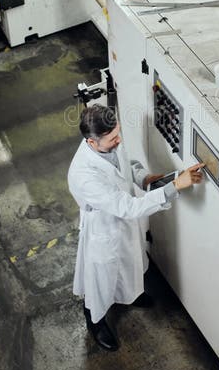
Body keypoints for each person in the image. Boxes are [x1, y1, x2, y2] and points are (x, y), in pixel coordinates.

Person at [68, 103, 204, 351]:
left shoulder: (109, 141)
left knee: (131, 260)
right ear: (91, 143)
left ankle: (131, 294)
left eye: (118, 133)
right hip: (104, 226)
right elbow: (127, 207)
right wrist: (174, 186)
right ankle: (95, 320)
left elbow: (126, 164)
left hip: (125, 220)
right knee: (99, 277)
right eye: (112, 139)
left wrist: (144, 177)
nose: (118, 140)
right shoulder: (84, 174)